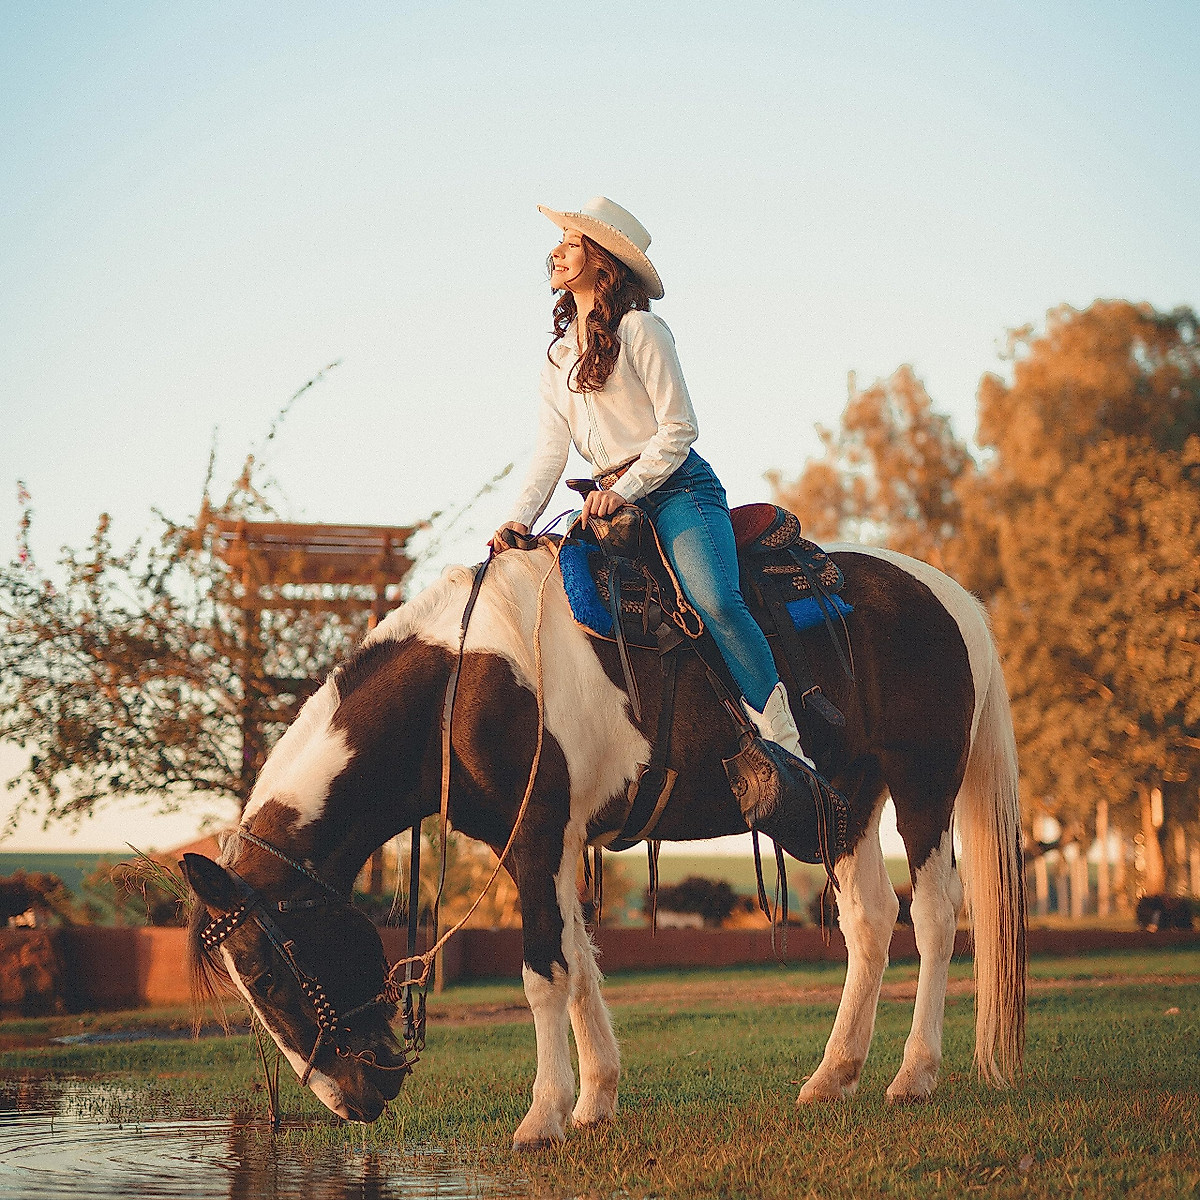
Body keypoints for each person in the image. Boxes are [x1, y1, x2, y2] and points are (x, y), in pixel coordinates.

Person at [492, 196, 828, 788]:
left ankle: (788, 746)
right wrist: (517, 521)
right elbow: (550, 451)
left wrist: (629, 488)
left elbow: (679, 429)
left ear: (603, 264)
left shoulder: (641, 330)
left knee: (715, 601)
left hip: (676, 487)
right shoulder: (556, 357)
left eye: (569, 244)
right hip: (605, 500)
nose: (555, 252)